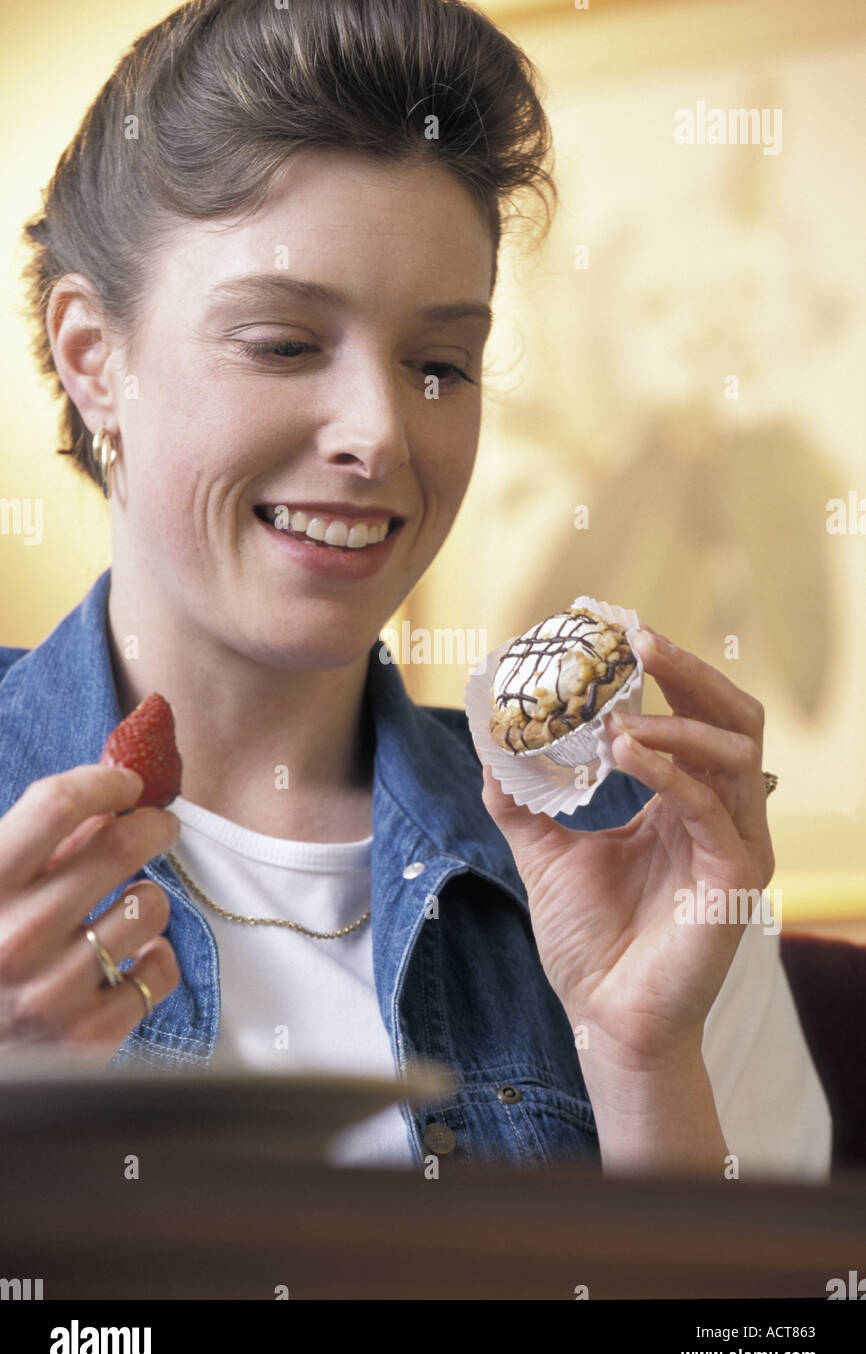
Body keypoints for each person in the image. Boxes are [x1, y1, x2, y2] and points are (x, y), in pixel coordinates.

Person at [1, 0, 829, 1178]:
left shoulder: (648, 865)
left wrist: (641, 1064)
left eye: (437, 364)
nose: (381, 433)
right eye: (285, 343)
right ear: (93, 356)